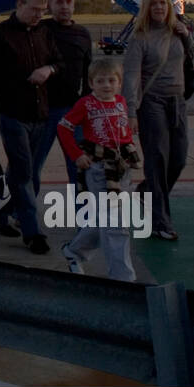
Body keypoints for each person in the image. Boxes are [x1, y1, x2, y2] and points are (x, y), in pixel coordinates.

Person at [0, 0, 64, 254]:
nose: (38, 15)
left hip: (41, 113)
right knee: (23, 172)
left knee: (27, 173)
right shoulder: (0, 35)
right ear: (19, 4)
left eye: (42, 10)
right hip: (11, 113)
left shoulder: (45, 33)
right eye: (34, 9)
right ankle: (32, 232)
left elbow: (60, 62)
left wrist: (48, 69)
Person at [57, 57, 140, 280]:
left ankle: (74, 251)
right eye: (100, 81)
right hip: (99, 170)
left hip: (120, 169)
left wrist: (129, 152)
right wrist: (77, 155)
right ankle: (123, 278)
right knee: (116, 225)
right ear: (91, 83)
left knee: (104, 220)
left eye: (111, 80)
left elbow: (123, 133)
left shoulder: (121, 102)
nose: (106, 85)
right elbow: (64, 128)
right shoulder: (86, 104)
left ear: (119, 83)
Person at [123, 0, 194, 240]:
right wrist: (131, 111)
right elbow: (131, 77)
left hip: (178, 101)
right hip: (152, 103)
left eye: (163, 4)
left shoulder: (176, 32)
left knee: (179, 159)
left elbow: (192, 56)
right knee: (157, 161)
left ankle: (145, 192)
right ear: (147, 8)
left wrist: (186, 35)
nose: (159, 8)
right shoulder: (140, 38)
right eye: (154, 4)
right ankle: (160, 222)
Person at [37, 0, 93, 190]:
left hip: (74, 111)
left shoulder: (83, 34)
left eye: (68, 2)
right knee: (33, 166)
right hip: (44, 110)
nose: (64, 7)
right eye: (59, 2)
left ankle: (83, 219)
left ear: (74, 5)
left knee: (79, 167)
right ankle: (15, 214)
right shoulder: (41, 30)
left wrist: (87, 105)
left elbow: (89, 73)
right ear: (50, 5)